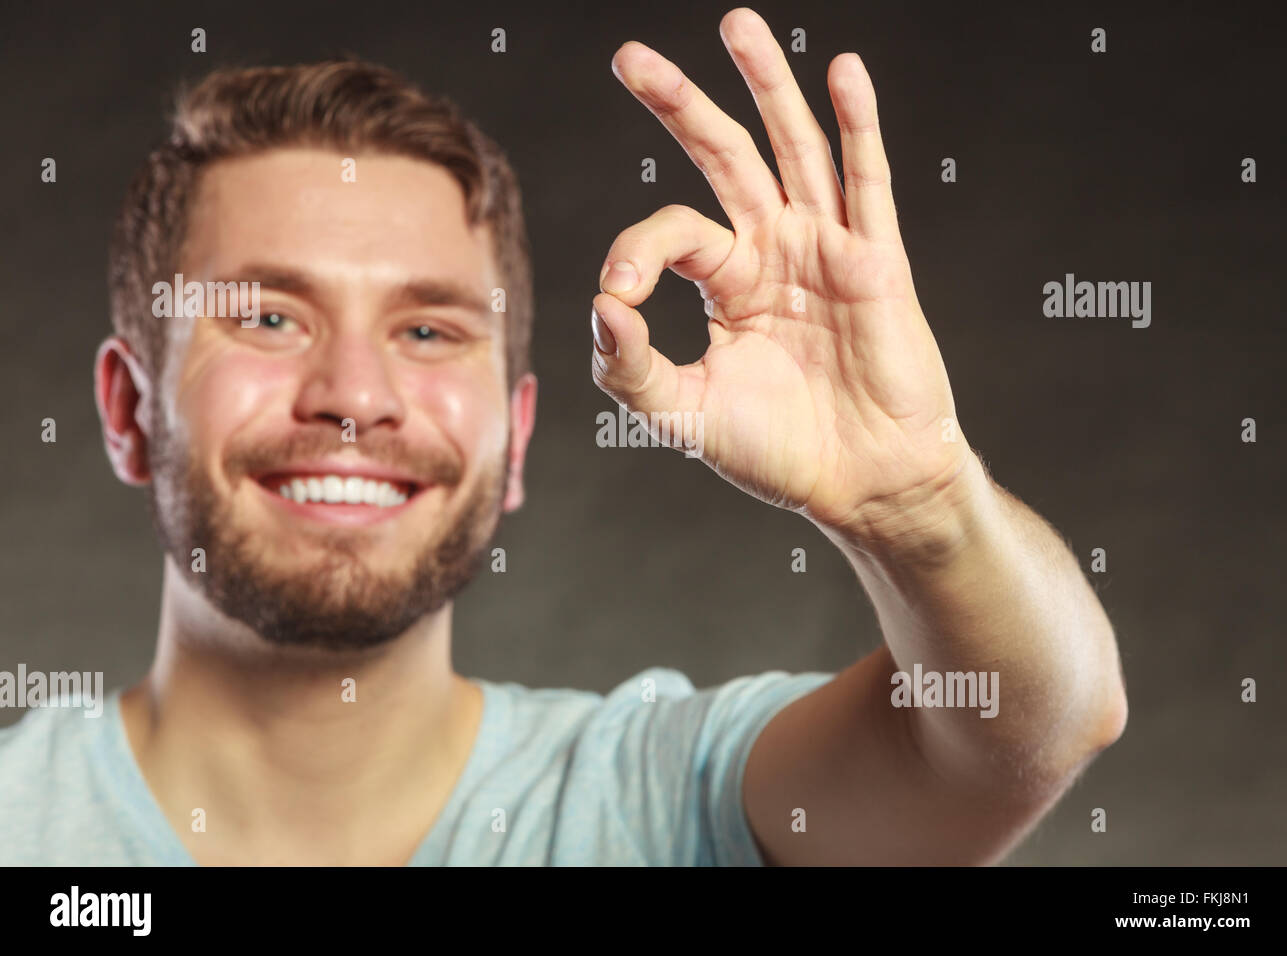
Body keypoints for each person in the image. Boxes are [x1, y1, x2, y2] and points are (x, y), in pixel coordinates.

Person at [0, 8, 1125, 866]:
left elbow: (1045, 720)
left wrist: (916, 503)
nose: (354, 393)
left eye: (429, 327)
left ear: (517, 434)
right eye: (268, 316)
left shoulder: (664, 797)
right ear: (125, 407)